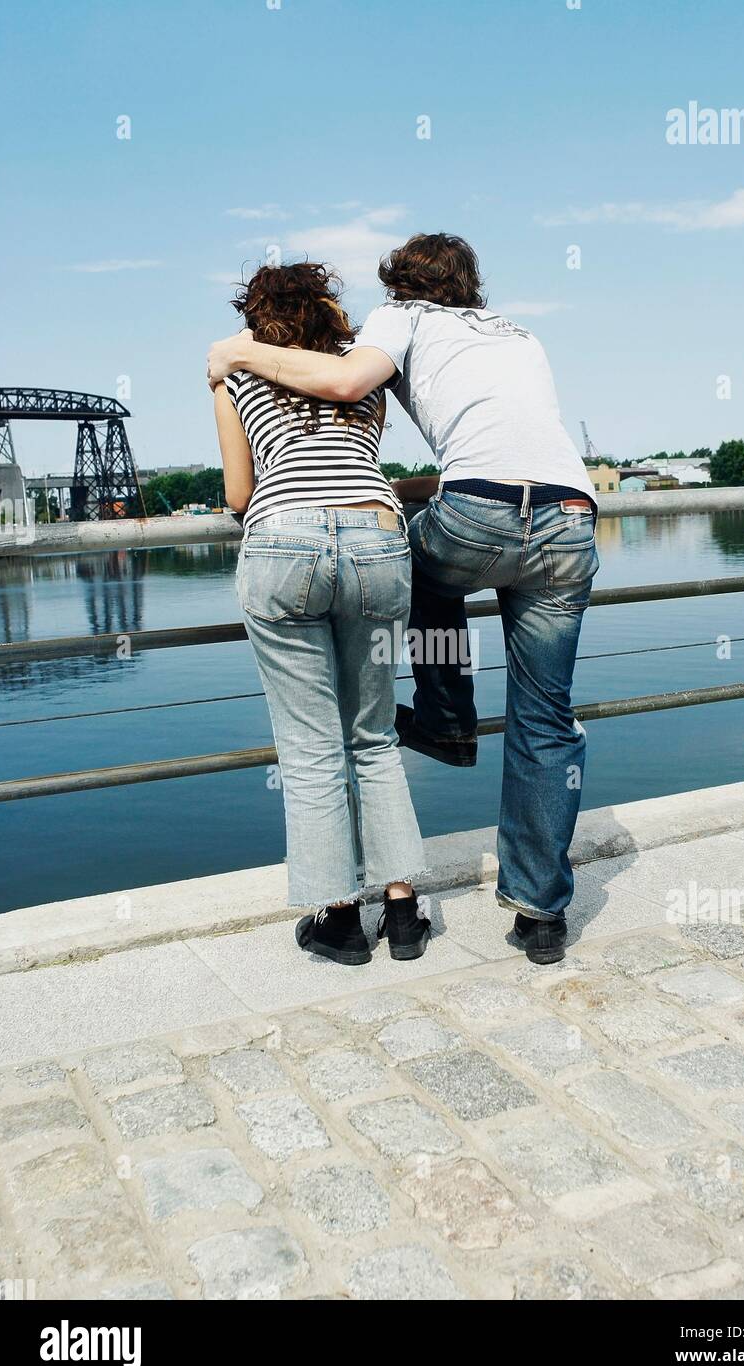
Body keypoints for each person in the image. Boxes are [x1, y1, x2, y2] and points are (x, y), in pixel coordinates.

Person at [208, 234, 599, 965]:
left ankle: (345, 907)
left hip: (315, 541)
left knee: (319, 739)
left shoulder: (392, 322)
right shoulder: (519, 334)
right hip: (560, 517)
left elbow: (256, 477)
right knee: (516, 723)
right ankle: (507, 914)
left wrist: (230, 357)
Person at [213, 261, 429, 966]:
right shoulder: (364, 380)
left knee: (310, 752)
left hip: (282, 543)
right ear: (328, 314)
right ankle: (401, 915)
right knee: (374, 736)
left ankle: (338, 920)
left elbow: (241, 495)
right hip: (375, 540)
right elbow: (355, 461)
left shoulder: (235, 375)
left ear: (257, 317)